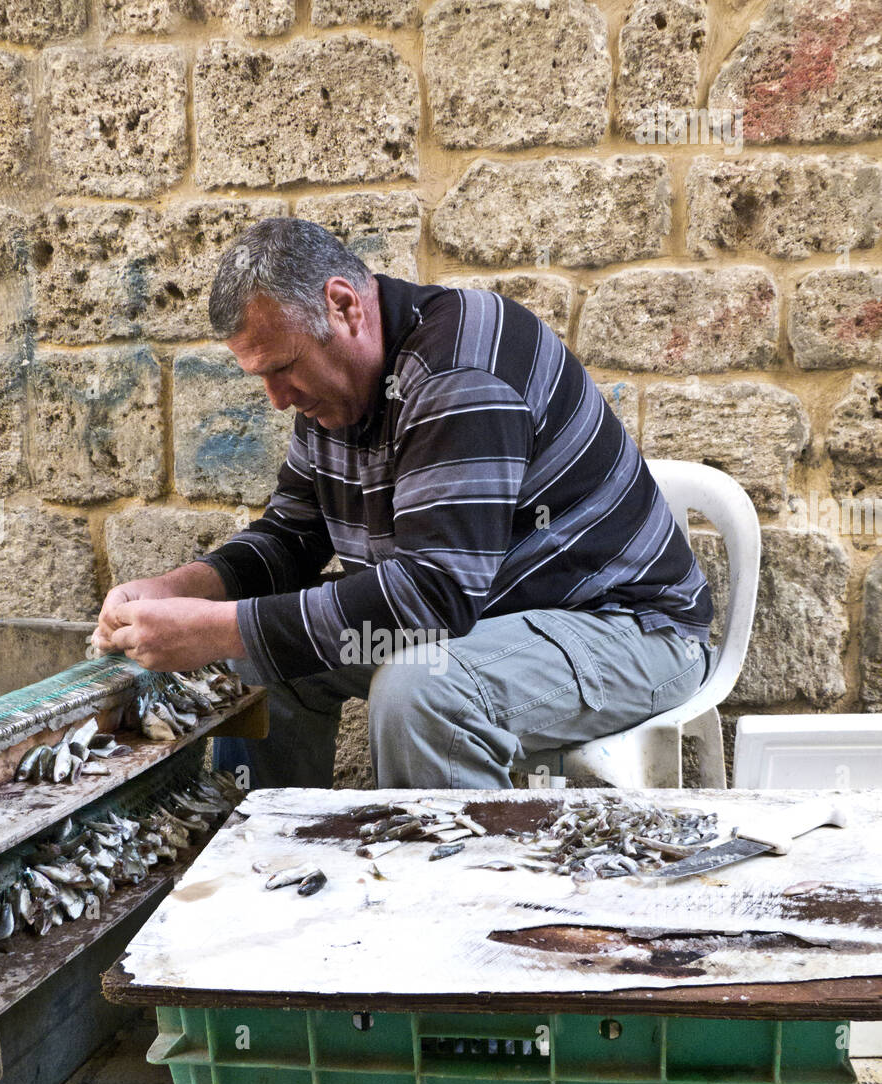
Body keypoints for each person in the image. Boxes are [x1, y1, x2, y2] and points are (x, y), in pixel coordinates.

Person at [91, 217, 715, 791]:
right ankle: (269, 874)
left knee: (423, 692)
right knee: (261, 653)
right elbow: (291, 537)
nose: (276, 399)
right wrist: (184, 590)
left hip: (630, 628)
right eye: (261, 377)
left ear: (343, 307)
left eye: (282, 368)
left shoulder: (460, 373)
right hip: (488, 619)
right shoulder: (336, 390)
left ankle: (452, 906)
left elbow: (433, 595)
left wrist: (215, 630)